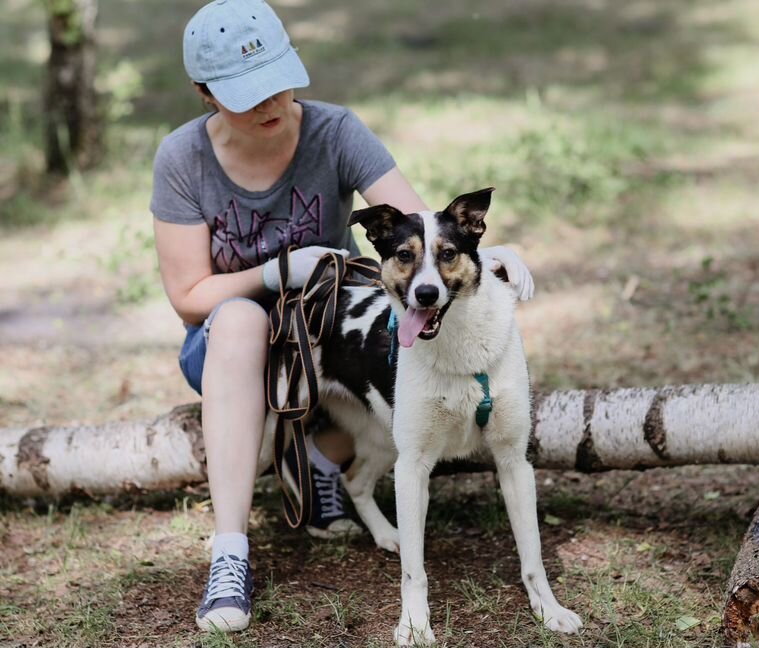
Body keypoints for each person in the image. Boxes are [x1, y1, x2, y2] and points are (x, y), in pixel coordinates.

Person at [150, 0, 535, 633]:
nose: (271, 104)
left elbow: (420, 231)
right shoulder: (182, 157)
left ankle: (325, 466)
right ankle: (229, 554)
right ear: (203, 92)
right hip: (226, 343)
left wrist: (491, 256)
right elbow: (189, 295)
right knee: (245, 320)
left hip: (326, 330)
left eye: (277, 80)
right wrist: (276, 274)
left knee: (391, 354)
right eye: (247, 95)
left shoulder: (335, 130)